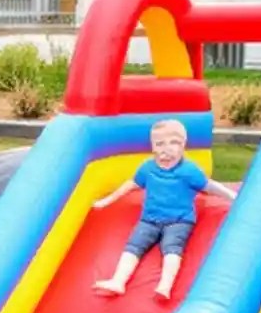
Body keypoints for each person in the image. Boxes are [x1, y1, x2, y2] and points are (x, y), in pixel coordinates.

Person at [91, 119, 237, 299]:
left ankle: (165, 286)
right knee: (134, 245)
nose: (165, 150)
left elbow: (209, 186)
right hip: (149, 219)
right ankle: (118, 281)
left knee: (172, 247)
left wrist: (233, 197)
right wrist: (106, 201)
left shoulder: (189, 170)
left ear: (183, 146)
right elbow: (130, 185)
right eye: (159, 144)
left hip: (179, 220)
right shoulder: (148, 168)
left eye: (173, 143)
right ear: (152, 147)